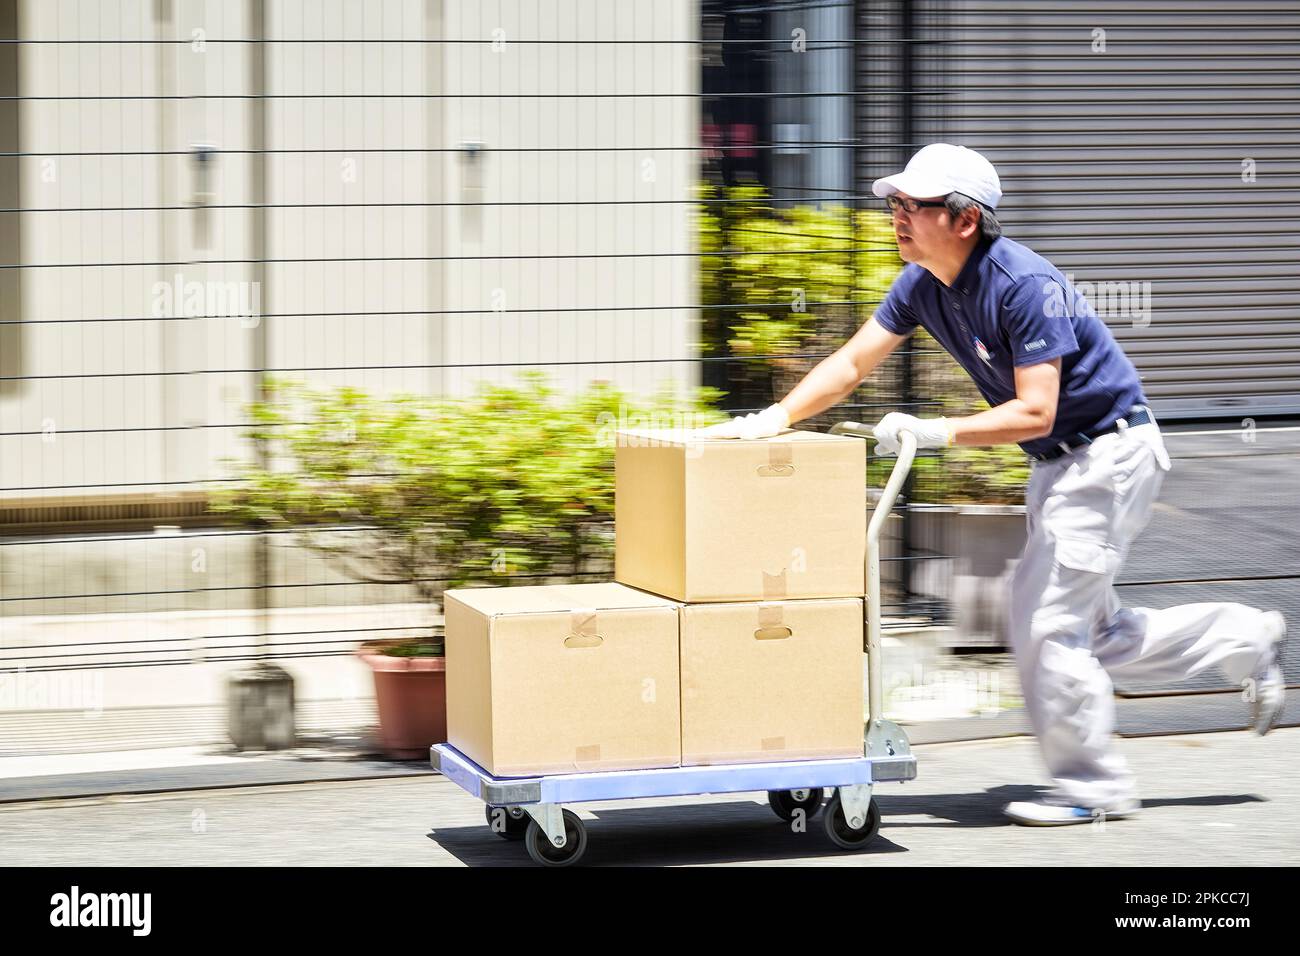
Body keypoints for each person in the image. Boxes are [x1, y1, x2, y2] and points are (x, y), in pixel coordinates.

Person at [703, 143, 1288, 826]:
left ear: (965, 219)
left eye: (912, 206)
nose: (896, 216)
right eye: (894, 204)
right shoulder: (922, 281)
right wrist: (772, 419)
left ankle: (1093, 787)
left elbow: (1036, 407)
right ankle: (1245, 635)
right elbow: (853, 362)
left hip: (1108, 455)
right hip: (1059, 464)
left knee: (1045, 624)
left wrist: (938, 432)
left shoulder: (1025, 286)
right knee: (1089, 634)